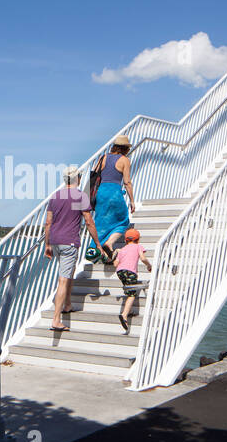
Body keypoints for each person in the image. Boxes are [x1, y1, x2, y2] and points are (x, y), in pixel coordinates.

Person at [43, 165, 101, 331]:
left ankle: (67, 304)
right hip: (69, 242)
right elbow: (89, 221)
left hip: (55, 240)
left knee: (68, 273)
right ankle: (56, 319)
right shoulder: (79, 197)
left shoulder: (56, 197)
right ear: (78, 179)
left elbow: (48, 222)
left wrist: (47, 244)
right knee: (63, 279)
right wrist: (97, 243)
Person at [92, 132, 137, 264]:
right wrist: (132, 201)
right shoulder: (124, 160)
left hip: (101, 192)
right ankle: (109, 243)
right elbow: (127, 182)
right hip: (114, 192)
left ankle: (101, 253)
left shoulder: (103, 157)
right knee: (123, 221)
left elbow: (94, 175)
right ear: (125, 148)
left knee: (101, 222)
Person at [114, 228, 151, 332]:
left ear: (126, 240)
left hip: (120, 271)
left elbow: (115, 264)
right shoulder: (138, 246)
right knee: (132, 294)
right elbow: (143, 258)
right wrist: (149, 265)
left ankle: (128, 310)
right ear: (138, 239)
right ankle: (124, 315)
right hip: (130, 271)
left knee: (129, 290)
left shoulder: (122, 249)